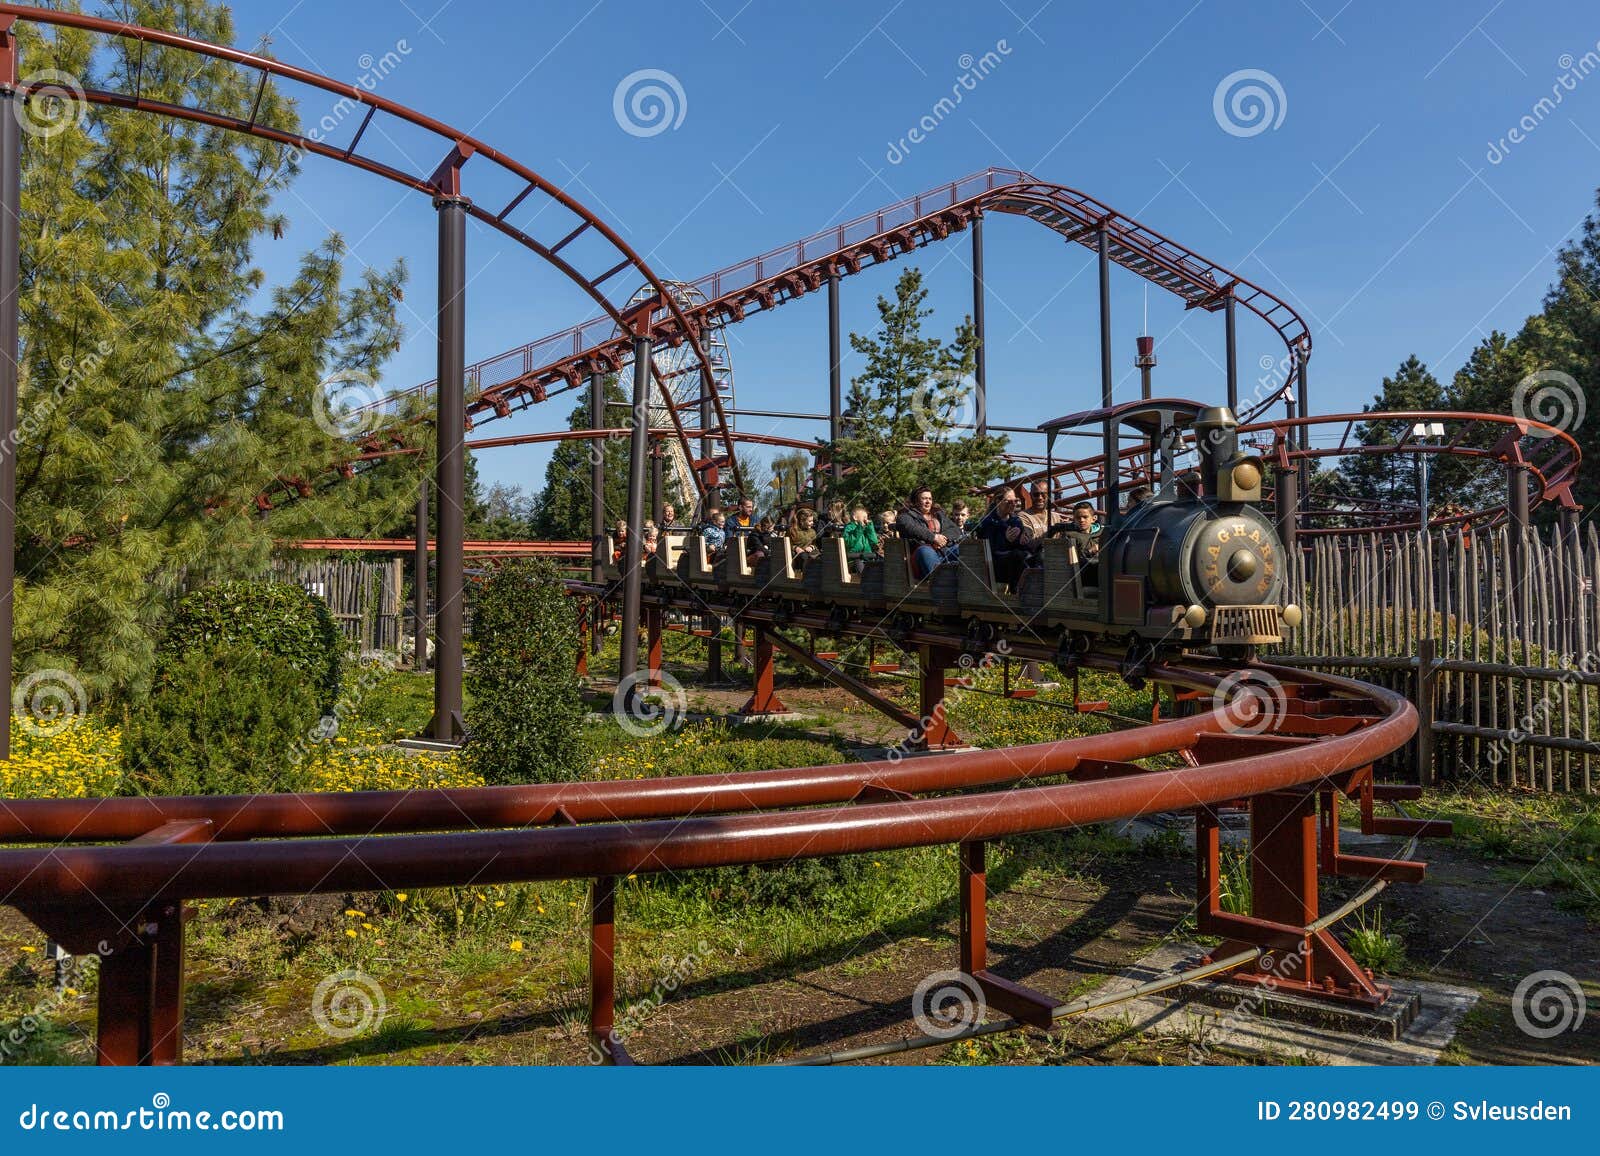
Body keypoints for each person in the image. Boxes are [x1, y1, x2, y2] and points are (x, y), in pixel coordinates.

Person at [975, 486, 1035, 588]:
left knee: (1034, 556)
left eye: (1015, 501)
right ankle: (1016, 591)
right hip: (994, 565)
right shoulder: (988, 522)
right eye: (1008, 501)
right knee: (1018, 556)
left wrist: (1022, 542)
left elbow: (1021, 547)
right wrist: (1005, 540)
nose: (1013, 504)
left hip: (1015, 563)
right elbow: (987, 549)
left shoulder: (1015, 520)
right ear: (998, 501)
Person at [896, 485, 958, 579]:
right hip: (922, 556)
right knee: (925, 550)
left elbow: (955, 529)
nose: (928, 501)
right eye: (924, 498)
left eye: (930, 498)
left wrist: (942, 539)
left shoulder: (938, 514)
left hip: (943, 552)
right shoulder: (906, 516)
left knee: (959, 549)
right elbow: (910, 527)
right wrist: (933, 538)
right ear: (916, 501)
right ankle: (941, 582)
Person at [842, 505, 879, 574]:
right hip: (854, 558)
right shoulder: (849, 528)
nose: (866, 520)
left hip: (867, 557)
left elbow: (874, 541)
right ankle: (864, 581)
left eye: (867, 518)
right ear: (855, 517)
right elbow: (848, 542)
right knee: (860, 566)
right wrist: (859, 529)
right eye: (864, 517)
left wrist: (870, 529)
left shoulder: (866, 528)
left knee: (876, 567)